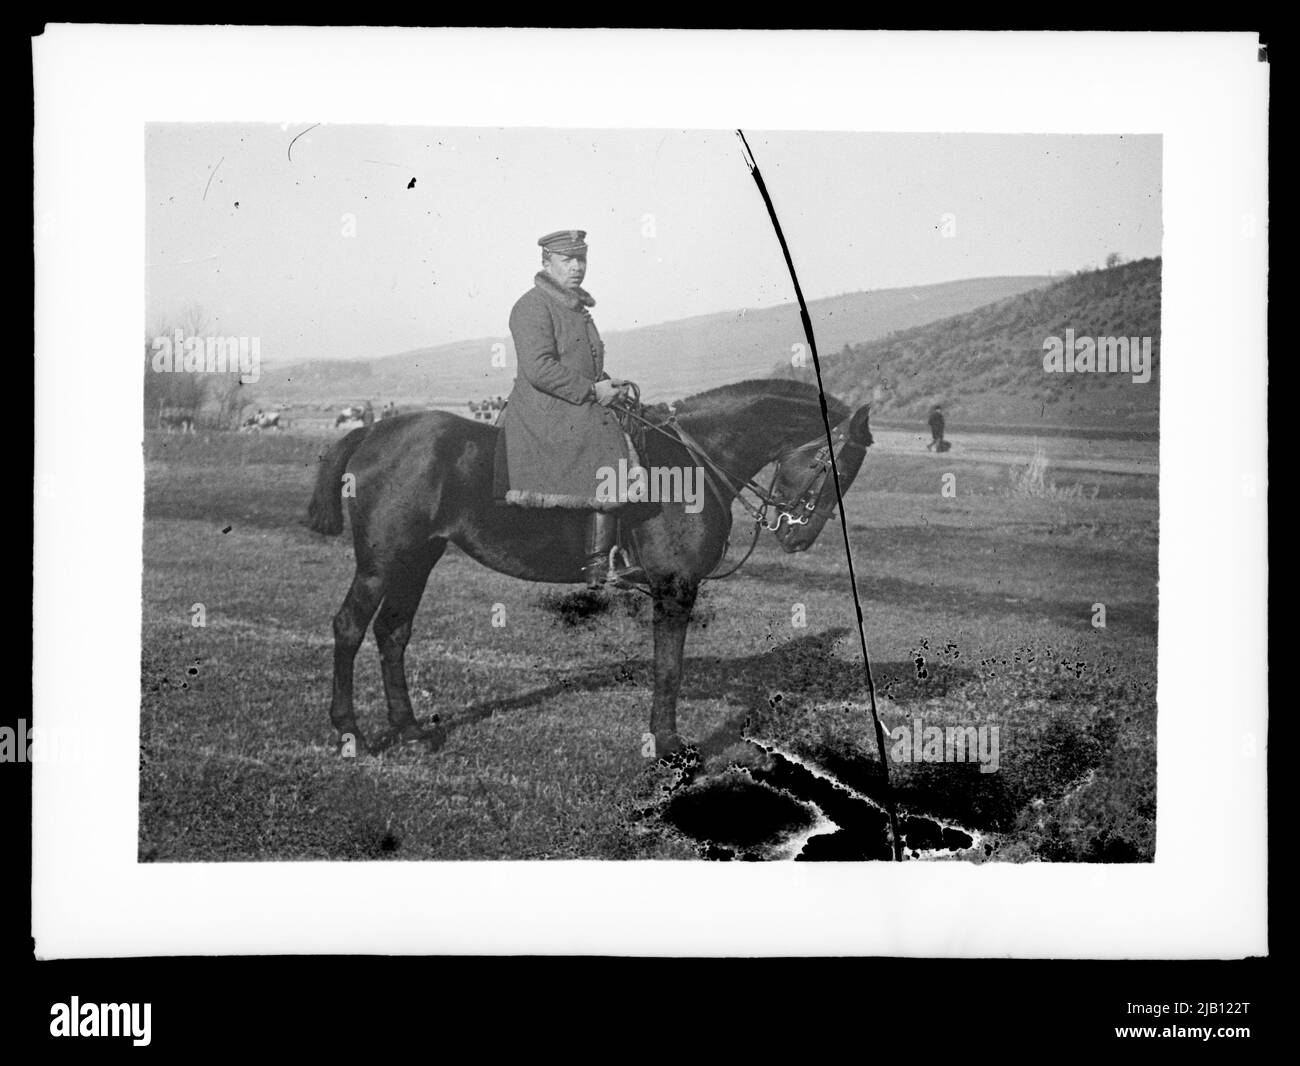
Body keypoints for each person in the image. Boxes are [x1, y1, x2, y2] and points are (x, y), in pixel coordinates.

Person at [495, 229, 642, 586]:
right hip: (543, 407)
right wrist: (593, 391)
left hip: (571, 399)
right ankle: (599, 565)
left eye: (582, 260)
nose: (576, 267)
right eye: (567, 260)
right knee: (604, 446)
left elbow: (581, 365)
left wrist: (609, 384)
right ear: (547, 263)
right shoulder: (532, 305)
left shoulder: (575, 307)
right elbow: (539, 368)